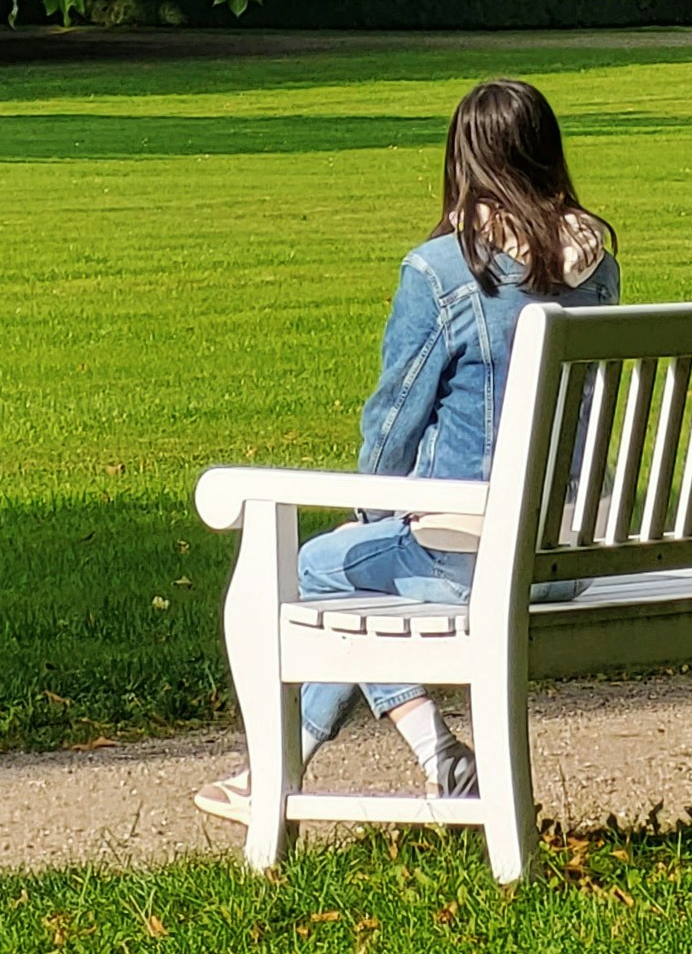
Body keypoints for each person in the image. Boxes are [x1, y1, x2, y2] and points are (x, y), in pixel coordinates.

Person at [196, 77, 618, 816]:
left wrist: (368, 508)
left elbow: (391, 421)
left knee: (312, 568)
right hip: (569, 551)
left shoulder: (445, 272)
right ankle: (362, 765)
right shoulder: (596, 266)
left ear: (463, 161)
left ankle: (412, 753)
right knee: (354, 568)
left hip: (473, 551)